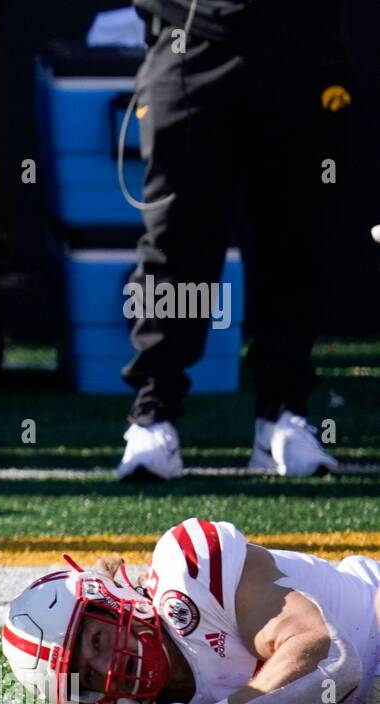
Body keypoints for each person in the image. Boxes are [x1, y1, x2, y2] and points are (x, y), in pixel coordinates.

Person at [115, 0, 347, 480]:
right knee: (175, 238)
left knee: (295, 237)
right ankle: (153, 413)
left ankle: (282, 415)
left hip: (301, 40)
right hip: (190, 31)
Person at [2, 517, 380, 704]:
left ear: (113, 601)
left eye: (98, 641)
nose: (108, 668)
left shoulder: (189, 571)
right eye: (87, 679)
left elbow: (331, 660)